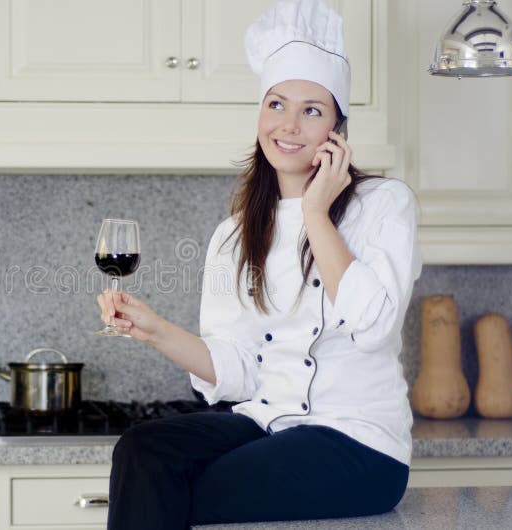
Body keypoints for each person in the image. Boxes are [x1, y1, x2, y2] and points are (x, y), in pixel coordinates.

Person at [95, 0, 422, 528]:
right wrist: (156, 331)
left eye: (312, 110)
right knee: (142, 452)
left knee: (187, 491)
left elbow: (373, 325)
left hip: (358, 443)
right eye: (276, 104)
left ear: (338, 130)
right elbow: (240, 370)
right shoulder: (233, 234)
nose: (288, 125)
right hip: (266, 422)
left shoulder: (384, 205)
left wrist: (316, 209)